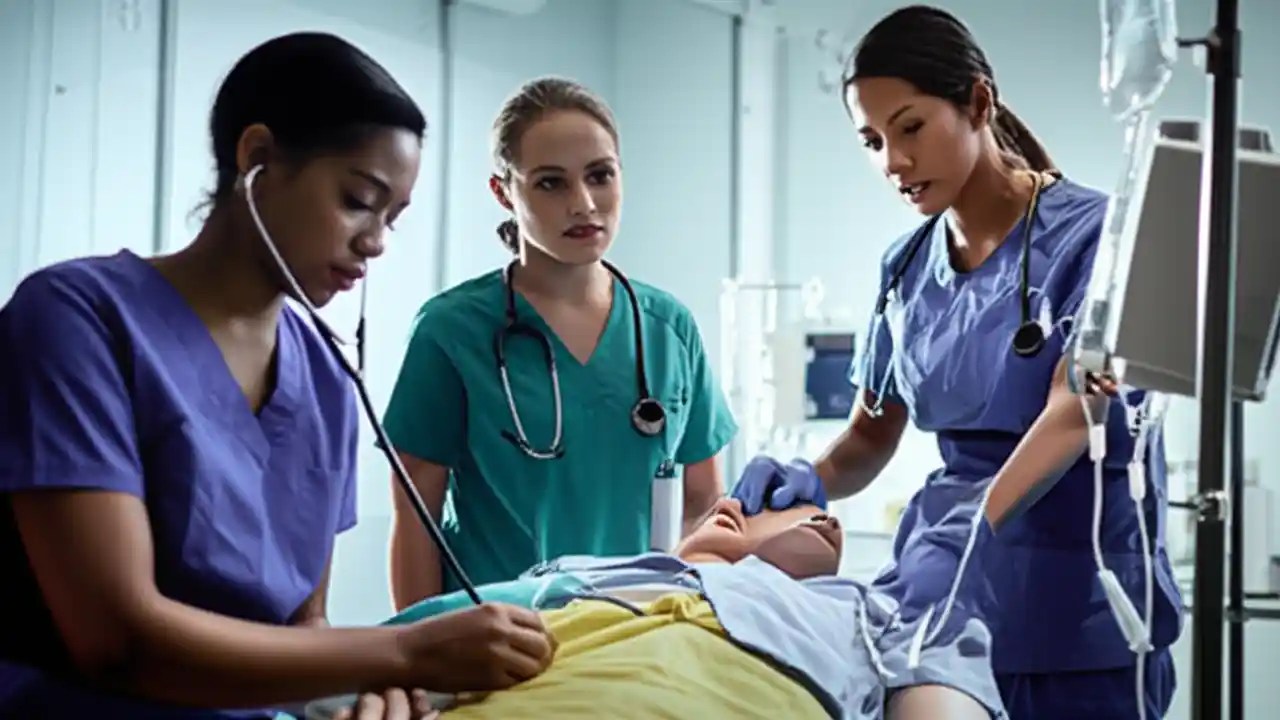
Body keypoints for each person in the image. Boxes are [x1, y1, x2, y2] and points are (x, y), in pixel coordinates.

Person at [0, 32, 553, 719]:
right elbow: (115, 639)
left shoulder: (324, 377)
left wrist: (360, 698)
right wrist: (403, 654)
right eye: (358, 199)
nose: (376, 240)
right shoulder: (74, 321)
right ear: (256, 158)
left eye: (393, 218)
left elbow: (302, 629)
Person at [728, 6, 1182, 719]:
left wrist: (976, 522)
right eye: (872, 141)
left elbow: (1075, 410)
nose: (893, 162)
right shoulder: (906, 266)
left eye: (909, 128)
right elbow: (871, 434)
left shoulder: (1099, 238)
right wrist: (812, 475)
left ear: (978, 103)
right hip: (950, 618)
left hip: (1085, 614)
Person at [383, 76, 738, 609]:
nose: (584, 203)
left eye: (600, 176)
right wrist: (416, 658)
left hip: (634, 629)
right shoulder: (451, 332)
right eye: (551, 183)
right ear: (504, 192)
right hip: (494, 635)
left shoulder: (669, 328)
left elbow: (703, 502)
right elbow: (416, 520)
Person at [314, 498, 1003, 720]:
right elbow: (395, 653)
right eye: (738, 511)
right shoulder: (579, 578)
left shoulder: (871, 612)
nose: (805, 516)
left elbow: (944, 698)